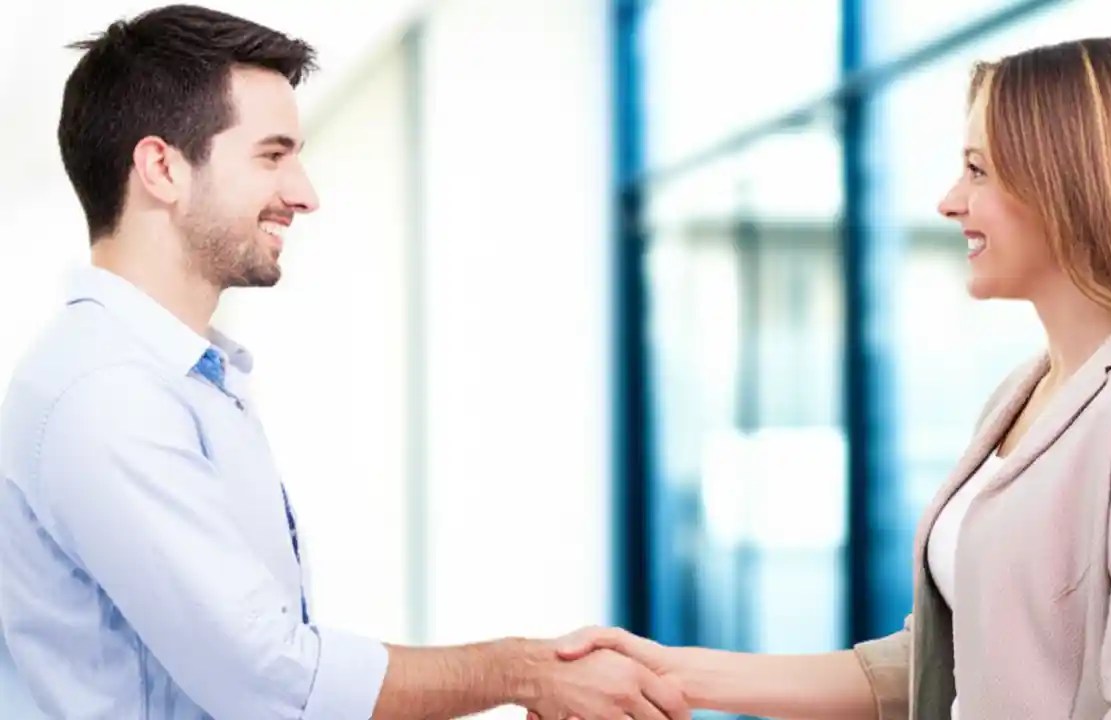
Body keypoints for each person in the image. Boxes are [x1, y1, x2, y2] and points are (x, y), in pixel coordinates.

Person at [549, 36, 1111, 719]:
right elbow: (933, 665)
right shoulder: (1026, 391)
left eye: (978, 169)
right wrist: (668, 672)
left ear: (1073, 183)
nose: (949, 201)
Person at [0, 6, 690, 720]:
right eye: (272, 155)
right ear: (162, 168)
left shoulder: (177, 379)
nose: (305, 193)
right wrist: (524, 673)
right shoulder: (106, 392)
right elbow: (270, 678)